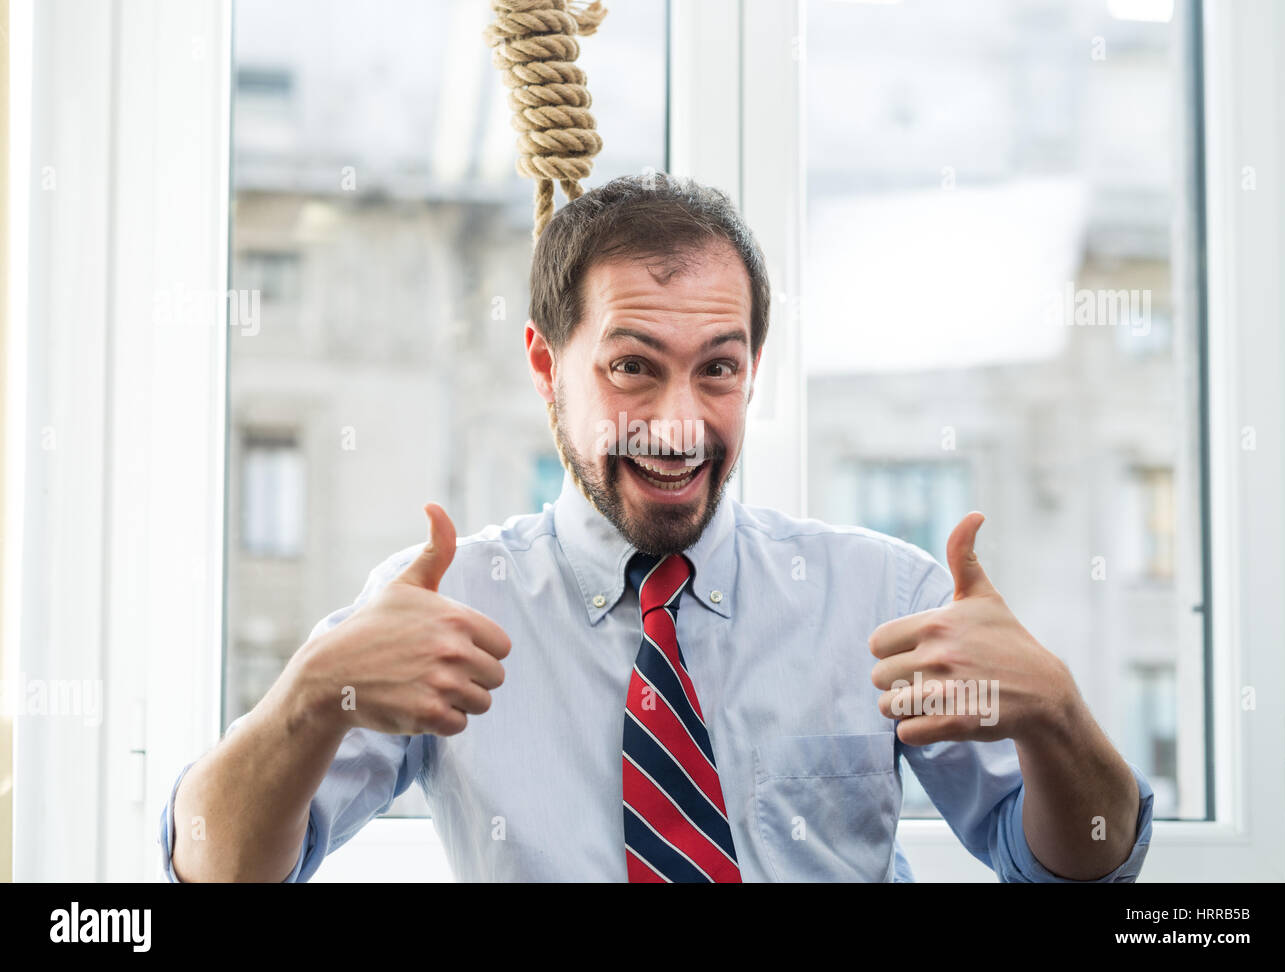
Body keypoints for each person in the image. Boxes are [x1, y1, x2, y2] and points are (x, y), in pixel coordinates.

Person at [160, 172, 1153, 883]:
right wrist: (306, 701)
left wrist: (1055, 717)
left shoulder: (884, 601)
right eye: (634, 365)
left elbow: (1080, 871)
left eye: (716, 367)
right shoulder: (442, 606)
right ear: (548, 370)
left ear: (752, 372)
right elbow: (213, 873)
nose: (680, 419)